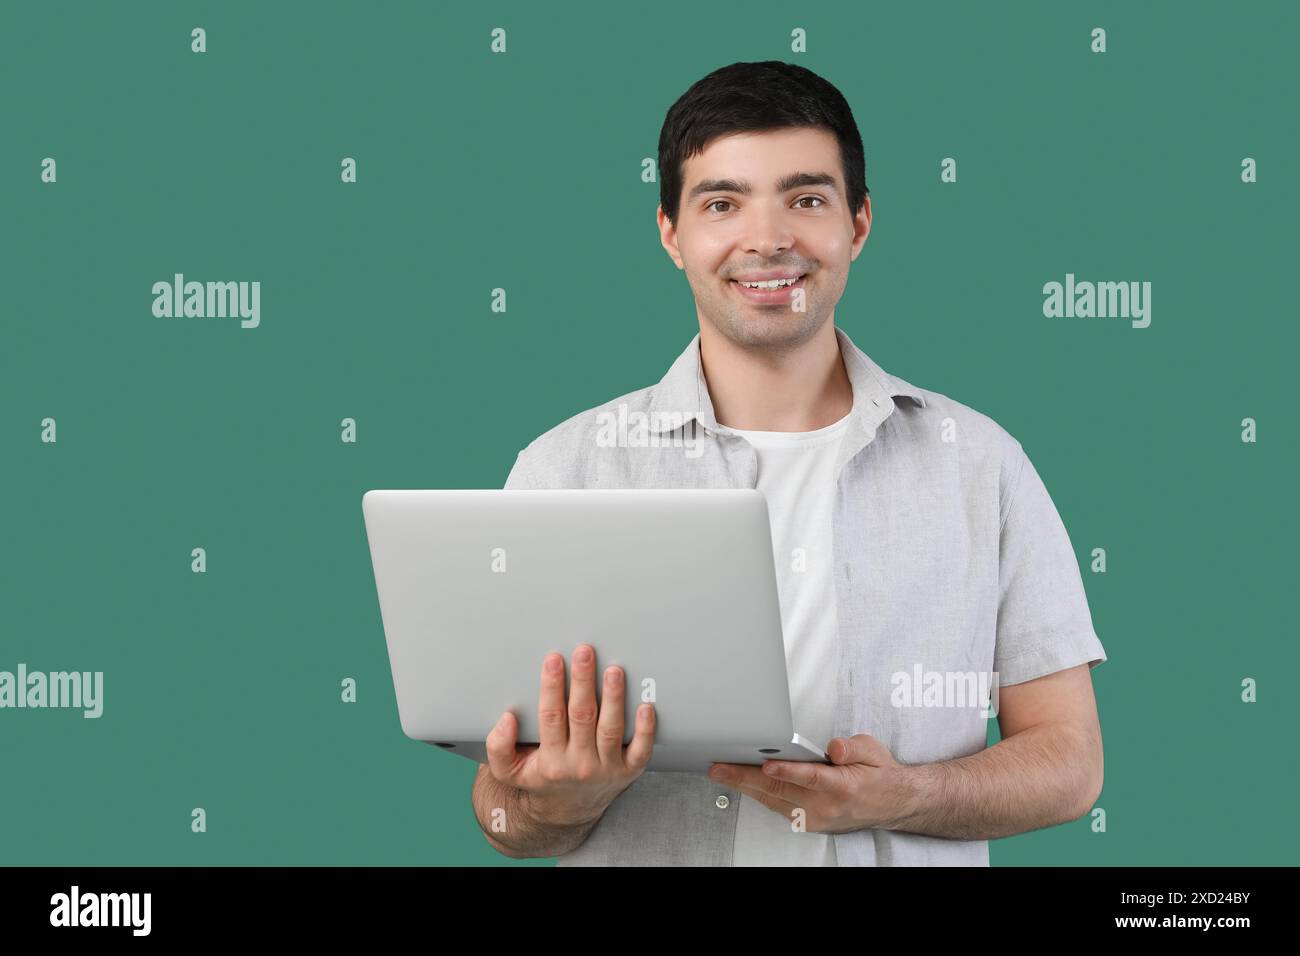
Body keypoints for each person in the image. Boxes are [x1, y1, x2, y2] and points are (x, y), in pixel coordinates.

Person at [470, 60, 1106, 866]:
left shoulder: (981, 465)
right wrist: (563, 803)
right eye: (722, 203)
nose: (767, 239)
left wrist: (906, 795)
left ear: (859, 224)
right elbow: (499, 810)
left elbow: (1071, 762)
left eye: (805, 199)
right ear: (670, 233)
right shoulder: (562, 472)